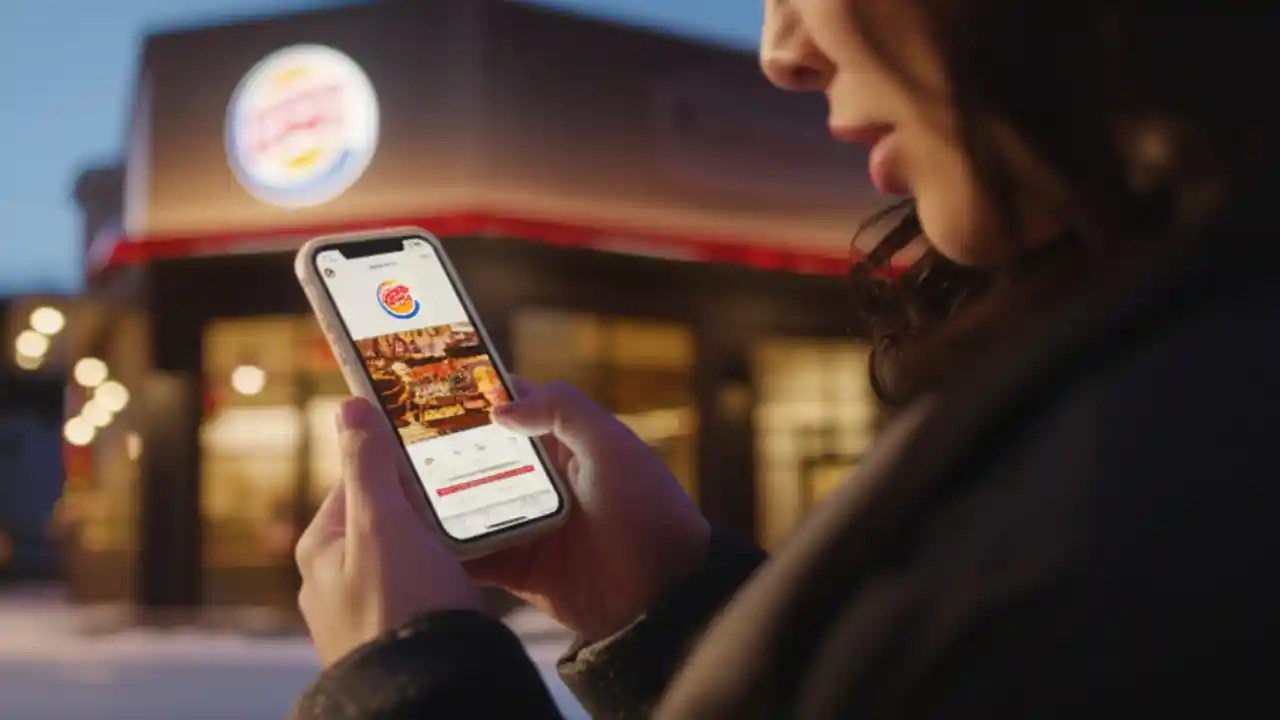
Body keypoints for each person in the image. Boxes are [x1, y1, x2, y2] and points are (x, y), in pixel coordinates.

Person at [291, 1, 1279, 717]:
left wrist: (409, 686)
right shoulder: (1150, 377)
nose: (779, 51)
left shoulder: (1160, 482)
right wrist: (670, 610)